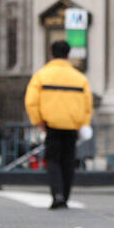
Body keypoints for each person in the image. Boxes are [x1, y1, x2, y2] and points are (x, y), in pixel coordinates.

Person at [24, 40, 93, 209]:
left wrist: (38, 121)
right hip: (72, 127)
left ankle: (58, 195)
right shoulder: (80, 78)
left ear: (51, 54)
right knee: (68, 162)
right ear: (68, 55)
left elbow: (31, 101)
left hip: (51, 125)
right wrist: (82, 123)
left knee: (53, 160)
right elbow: (87, 104)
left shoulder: (41, 76)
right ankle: (66, 196)